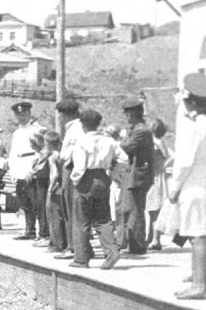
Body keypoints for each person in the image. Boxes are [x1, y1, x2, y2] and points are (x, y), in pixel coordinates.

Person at [166, 73, 206, 300]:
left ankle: (200, 285)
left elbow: (183, 162)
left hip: (193, 183)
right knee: (203, 232)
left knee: (196, 235)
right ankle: (199, 280)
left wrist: (174, 188)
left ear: (189, 100)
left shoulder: (191, 127)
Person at [68, 109, 126, 270]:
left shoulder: (81, 141)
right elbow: (123, 158)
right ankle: (112, 250)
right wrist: (112, 173)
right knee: (103, 218)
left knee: (82, 220)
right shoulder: (108, 140)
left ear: (82, 125)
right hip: (102, 178)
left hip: (86, 179)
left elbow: (79, 167)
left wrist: (76, 181)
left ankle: (81, 258)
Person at [117, 98, 155, 255]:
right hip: (132, 174)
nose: (126, 118)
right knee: (127, 209)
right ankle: (131, 242)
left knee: (134, 211)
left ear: (131, 114)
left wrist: (114, 143)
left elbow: (126, 147)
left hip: (137, 176)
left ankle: (138, 244)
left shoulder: (141, 131)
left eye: (127, 114)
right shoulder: (136, 129)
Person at [53, 99, 85, 261]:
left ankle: (73, 247)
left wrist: (60, 158)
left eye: (60, 114)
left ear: (64, 115)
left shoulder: (75, 129)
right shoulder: (76, 127)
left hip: (71, 169)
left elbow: (71, 153)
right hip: (71, 168)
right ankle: (79, 246)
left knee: (70, 209)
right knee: (71, 209)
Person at [9, 101, 45, 241]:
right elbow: (13, 152)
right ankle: (29, 230)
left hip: (31, 168)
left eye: (23, 114)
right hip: (19, 168)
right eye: (18, 114)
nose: (21, 117)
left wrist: (33, 170)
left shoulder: (37, 130)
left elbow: (40, 151)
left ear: (29, 113)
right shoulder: (17, 132)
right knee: (24, 202)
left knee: (37, 202)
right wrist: (13, 171)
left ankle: (43, 232)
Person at [145, 118, 170, 251]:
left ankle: (155, 239)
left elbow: (168, 156)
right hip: (159, 175)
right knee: (153, 210)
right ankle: (152, 237)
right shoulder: (161, 142)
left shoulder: (155, 143)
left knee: (154, 210)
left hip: (155, 177)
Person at [39, 130, 66, 251]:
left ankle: (55, 244)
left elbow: (54, 175)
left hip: (55, 188)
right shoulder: (63, 154)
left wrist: (49, 190)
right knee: (64, 217)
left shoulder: (52, 157)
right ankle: (64, 243)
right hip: (64, 187)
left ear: (47, 143)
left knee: (53, 217)